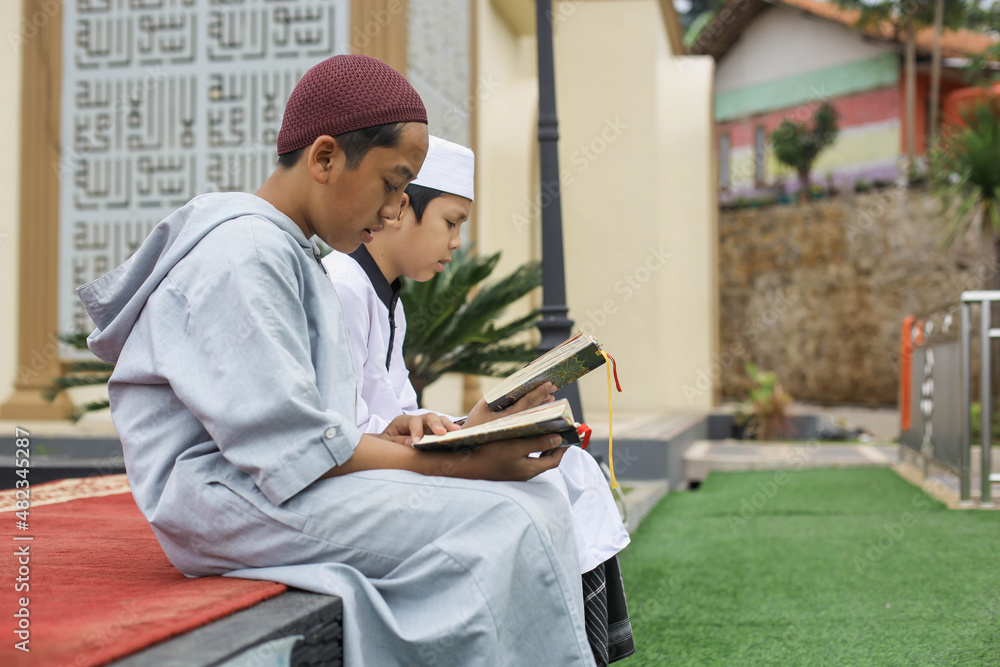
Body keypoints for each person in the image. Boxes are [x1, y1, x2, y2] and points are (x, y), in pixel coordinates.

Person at [78, 55, 598, 666]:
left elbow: (300, 428)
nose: (394, 210)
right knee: (506, 520)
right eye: (393, 184)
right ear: (324, 158)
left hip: (274, 485)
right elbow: (289, 447)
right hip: (227, 503)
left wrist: (391, 439)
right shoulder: (245, 253)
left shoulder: (284, 249)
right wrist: (458, 463)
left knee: (536, 502)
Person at [322, 135, 634, 664]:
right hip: (366, 477)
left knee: (572, 468)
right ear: (399, 208)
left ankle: (590, 648)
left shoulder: (385, 299)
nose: (457, 242)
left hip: (393, 462)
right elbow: (352, 430)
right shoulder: (345, 286)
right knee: (545, 489)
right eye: (451, 222)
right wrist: (466, 437)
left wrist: (483, 420)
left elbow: (403, 415)